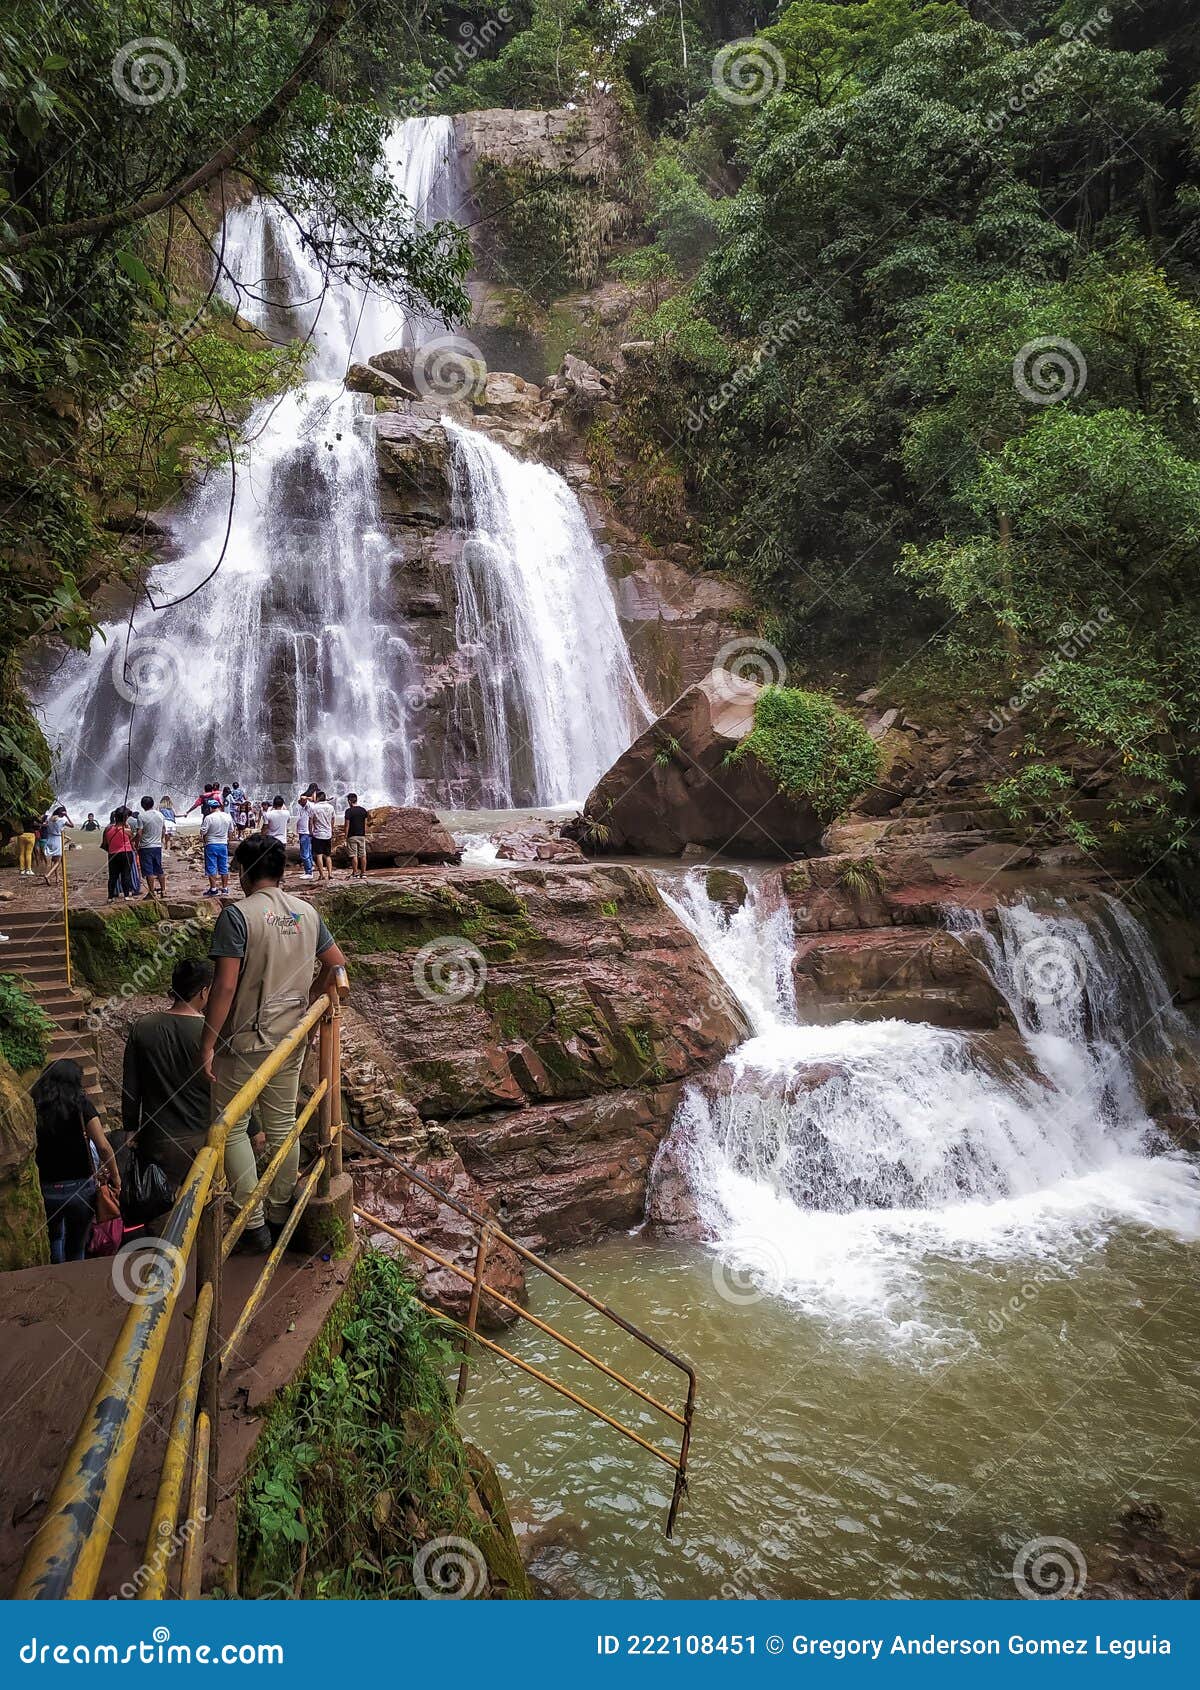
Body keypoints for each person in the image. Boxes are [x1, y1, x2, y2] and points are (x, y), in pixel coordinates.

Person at [199, 832, 346, 1254]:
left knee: (229, 1129)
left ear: (243, 872)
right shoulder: (306, 913)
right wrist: (312, 998)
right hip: (293, 1036)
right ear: (281, 871)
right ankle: (281, 1212)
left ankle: (253, 1223)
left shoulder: (237, 916)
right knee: (283, 1125)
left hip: (246, 1040)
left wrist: (208, 1042)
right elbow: (337, 966)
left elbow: (225, 986)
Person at [122, 959, 213, 1189]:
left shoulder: (143, 1027)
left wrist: (130, 1127)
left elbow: (130, 1085)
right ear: (203, 992)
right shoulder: (209, 1035)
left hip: (155, 1140)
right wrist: (253, 1128)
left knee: (159, 1204)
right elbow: (225, 1085)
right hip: (199, 1140)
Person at [33, 1058, 119, 1263]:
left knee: (54, 1236)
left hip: (47, 1187)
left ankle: (54, 1272)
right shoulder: (81, 1105)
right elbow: (103, 1146)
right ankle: (73, 1280)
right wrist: (116, 1176)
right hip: (80, 1188)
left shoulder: (36, 1106)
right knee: (77, 1243)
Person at [131, 795, 166, 898]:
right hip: (157, 846)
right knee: (159, 868)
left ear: (142, 805)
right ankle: (163, 890)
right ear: (153, 804)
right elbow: (164, 830)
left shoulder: (141, 816)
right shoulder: (160, 815)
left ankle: (151, 892)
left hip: (146, 847)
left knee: (148, 870)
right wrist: (161, 840)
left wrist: (136, 845)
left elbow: (139, 833)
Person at [200, 800, 232, 897]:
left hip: (211, 844)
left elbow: (203, 832)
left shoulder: (208, 818)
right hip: (223, 844)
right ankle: (225, 888)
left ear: (210, 808)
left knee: (211, 867)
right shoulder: (227, 816)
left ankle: (213, 889)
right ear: (219, 807)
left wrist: (204, 840)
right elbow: (231, 831)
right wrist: (228, 841)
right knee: (224, 867)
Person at [101, 808, 135, 901]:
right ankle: (126, 895)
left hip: (112, 854)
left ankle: (110, 897)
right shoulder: (126, 830)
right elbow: (132, 838)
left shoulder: (107, 829)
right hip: (126, 853)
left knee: (112, 876)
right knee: (126, 874)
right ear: (125, 818)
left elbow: (104, 844)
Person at [39, 805, 73, 887]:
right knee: (58, 861)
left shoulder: (49, 819)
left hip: (49, 839)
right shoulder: (62, 820)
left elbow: (44, 825)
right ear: (62, 813)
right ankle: (48, 875)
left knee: (54, 860)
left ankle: (57, 878)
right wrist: (67, 816)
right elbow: (72, 825)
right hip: (57, 840)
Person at [342, 791, 369, 881]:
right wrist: (365, 834)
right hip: (362, 835)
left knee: (354, 855)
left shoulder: (349, 811)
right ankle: (364, 873)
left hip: (352, 836)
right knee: (363, 855)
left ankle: (355, 873)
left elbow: (347, 825)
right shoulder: (363, 810)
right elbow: (365, 824)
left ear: (349, 801)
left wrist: (345, 837)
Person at [309, 789, 334, 883]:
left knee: (319, 855)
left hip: (318, 834)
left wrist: (311, 831)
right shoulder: (331, 807)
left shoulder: (314, 808)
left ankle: (322, 875)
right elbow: (332, 819)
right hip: (328, 834)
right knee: (328, 855)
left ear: (318, 798)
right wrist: (331, 829)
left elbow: (311, 821)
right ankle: (330, 874)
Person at [295, 793, 314, 880]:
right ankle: (310, 868)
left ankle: (309, 872)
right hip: (302, 832)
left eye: (301, 801)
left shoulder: (308, 807)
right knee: (308, 852)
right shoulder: (301, 807)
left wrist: (306, 798)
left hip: (305, 832)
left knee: (304, 853)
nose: (300, 802)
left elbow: (305, 798)